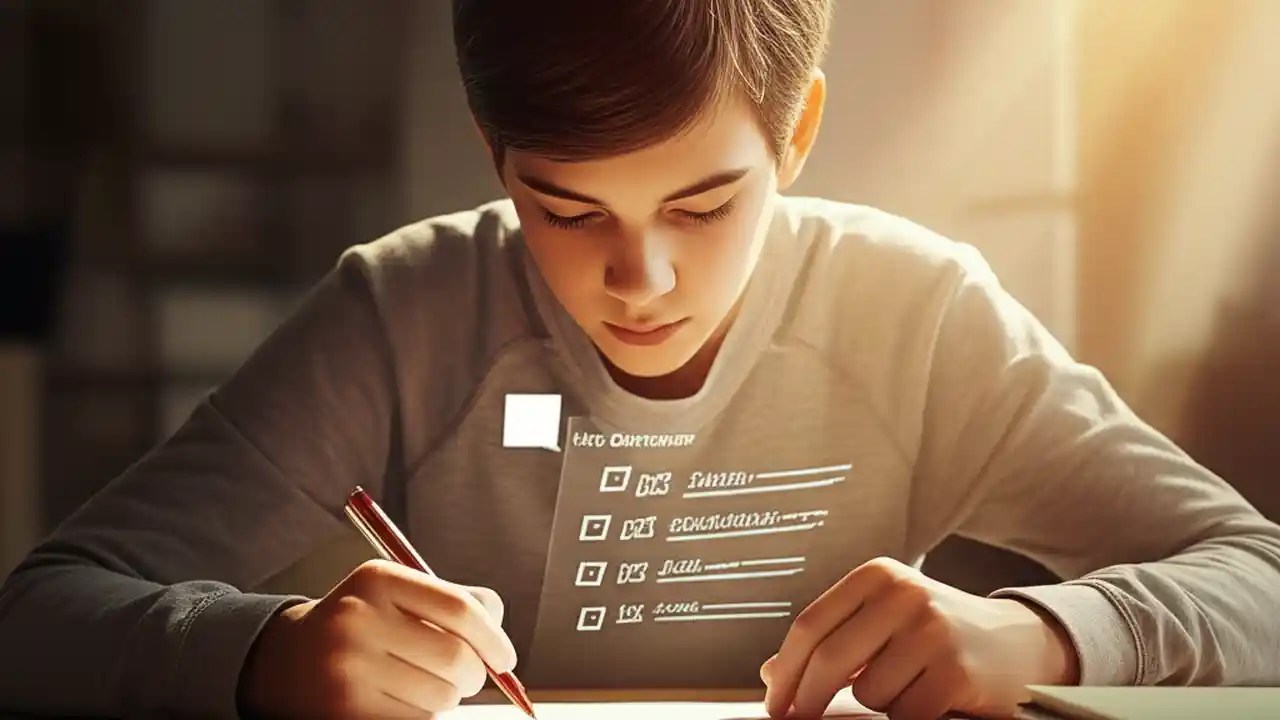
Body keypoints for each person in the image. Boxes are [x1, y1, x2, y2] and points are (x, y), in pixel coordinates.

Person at [3, 1, 1279, 718]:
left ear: (796, 135)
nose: (640, 282)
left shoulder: (918, 312)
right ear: (493, 151)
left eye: (703, 206)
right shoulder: (405, 314)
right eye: (565, 213)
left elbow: (1260, 576)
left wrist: (1044, 635)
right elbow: (39, 617)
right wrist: (260, 651)